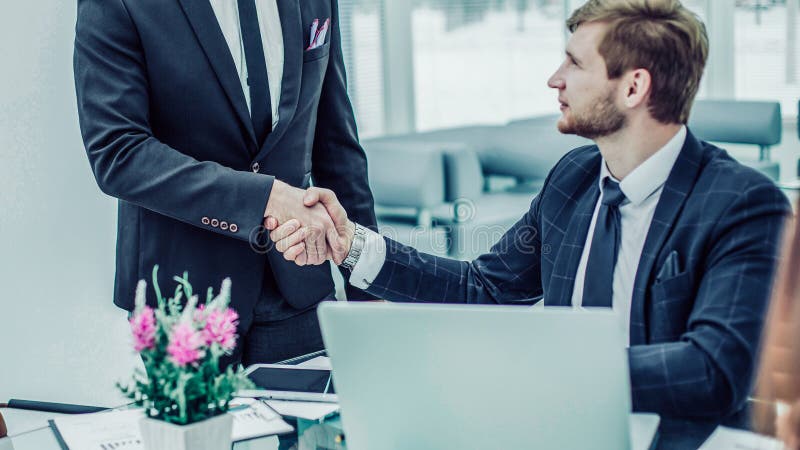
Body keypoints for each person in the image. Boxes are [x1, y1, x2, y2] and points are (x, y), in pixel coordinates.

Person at [268, 0, 791, 445]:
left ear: (634, 88)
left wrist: (545, 374)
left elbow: (713, 369)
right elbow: (485, 287)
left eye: (574, 64)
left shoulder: (743, 204)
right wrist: (354, 245)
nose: (554, 79)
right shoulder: (573, 180)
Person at [73, 0, 378, 366]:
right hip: (183, 296)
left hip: (299, 289)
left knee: (316, 424)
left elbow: (336, 144)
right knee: (202, 427)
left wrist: (371, 284)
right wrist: (266, 198)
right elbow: (119, 152)